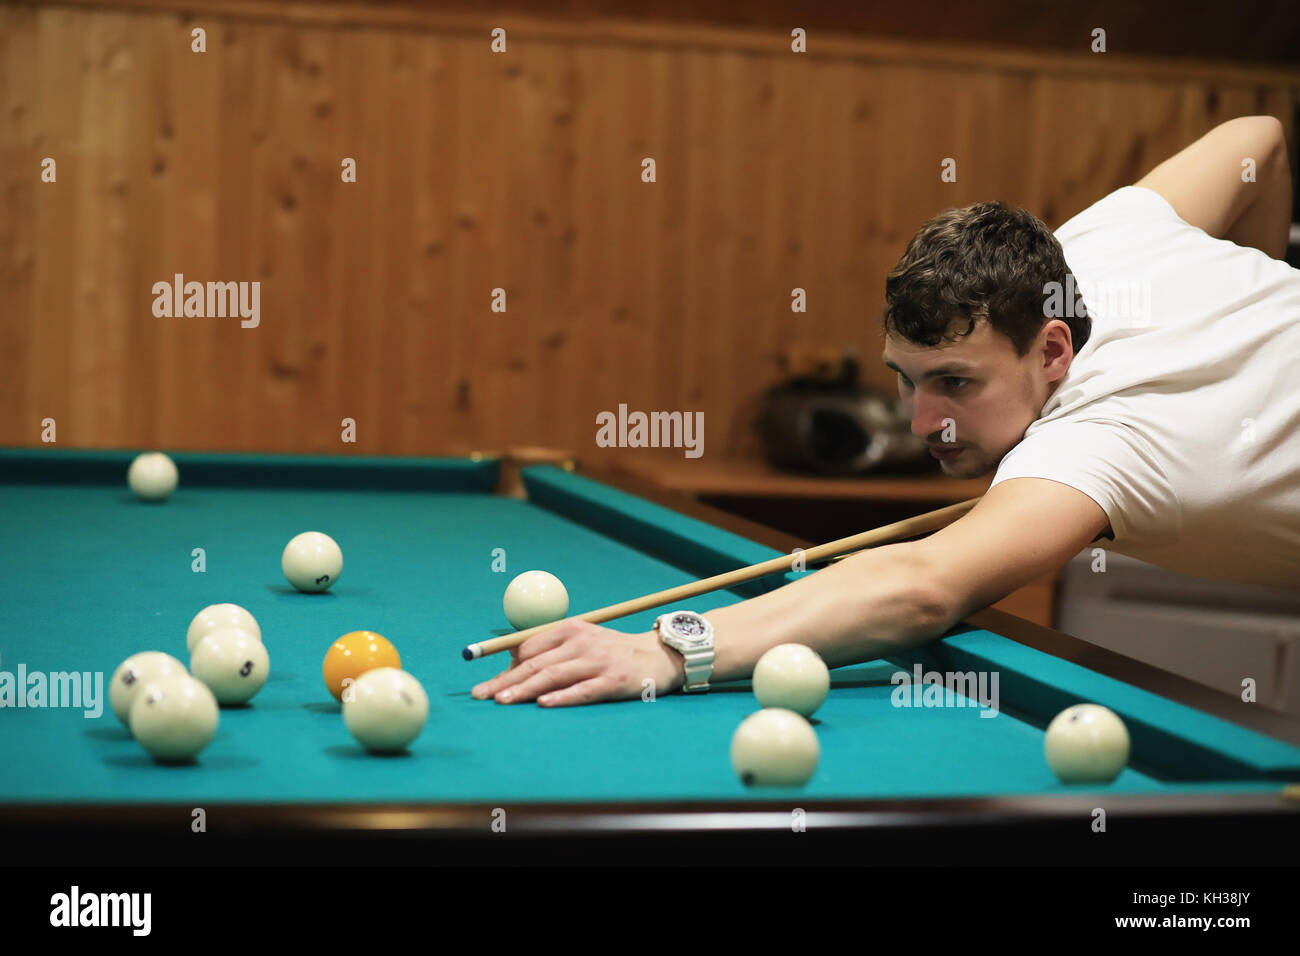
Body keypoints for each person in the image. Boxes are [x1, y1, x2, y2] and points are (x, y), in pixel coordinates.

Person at [472, 115, 1299, 707]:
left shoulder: (1100, 440)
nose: (920, 422)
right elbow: (1256, 137)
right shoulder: (1096, 245)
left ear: (1052, 351)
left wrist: (665, 648)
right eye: (905, 378)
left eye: (956, 384)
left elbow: (921, 587)